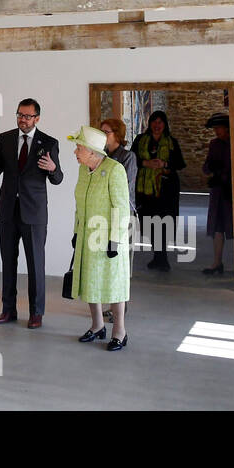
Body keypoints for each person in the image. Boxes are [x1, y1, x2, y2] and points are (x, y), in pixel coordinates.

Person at [0, 99, 64, 328]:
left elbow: (58, 178)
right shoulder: (6, 138)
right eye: (19, 115)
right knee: (8, 263)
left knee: (36, 265)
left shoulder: (49, 143)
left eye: (28, 116)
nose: (22, 119)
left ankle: (36, 313)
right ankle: (8, 310)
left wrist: (52, 169)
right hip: (8, 212)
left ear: (37, 118)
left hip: (34, 215)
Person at [67, 125, 130, 351]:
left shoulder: (115, 170)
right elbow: (79, 204)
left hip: (109, 238)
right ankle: (97, 326)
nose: (75, 152)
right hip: (87, 236)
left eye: (78, 148)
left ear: (92, 152)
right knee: (90, 282)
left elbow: (122, 209)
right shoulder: (84, 170)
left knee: (114, 285)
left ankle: (119, 332)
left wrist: (115, 239)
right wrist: (76, 232)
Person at [132, 110, 184, 271]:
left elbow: (180, 163)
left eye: (160, 122)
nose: (157, 125)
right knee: (148, 222)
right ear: (150, 123)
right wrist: (146, 163)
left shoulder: (171, 142)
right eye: (154, 121)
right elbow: (132, 158)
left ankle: (162, 257)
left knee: (164, 222)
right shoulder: (140, 140)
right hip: (145, 191)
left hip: (166, 190)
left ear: (164, 124)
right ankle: (158, 255)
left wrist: (164, 165)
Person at [99, 118, 137, 322]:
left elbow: (124, 188)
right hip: (104, 216)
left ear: (117, 135)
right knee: (108, 264)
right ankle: (112, 306)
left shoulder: (128, 157)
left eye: (106, 132)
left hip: (123, 216)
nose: (103, 135)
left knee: (122, 265)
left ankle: (120, 309)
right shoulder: (102, 156)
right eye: (101, 131)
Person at [202, 112, 233, 275]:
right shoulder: (214, 144)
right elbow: (206, 166)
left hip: (231, 190)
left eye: (218, 128)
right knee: (217, 227)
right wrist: (211, 169)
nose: (216, 131)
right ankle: (217, 262)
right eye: (215, 128)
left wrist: (224, 174)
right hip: (218, 191)